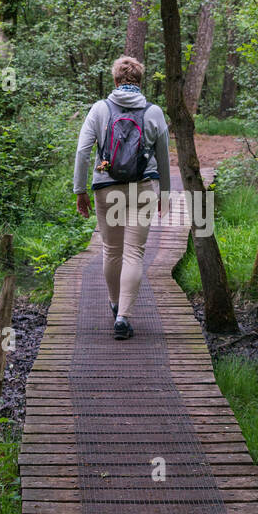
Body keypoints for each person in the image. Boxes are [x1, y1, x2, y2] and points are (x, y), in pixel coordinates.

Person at [73, 55, 171, 339]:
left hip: (107, 187)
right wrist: (165, 193)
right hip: (142, 188)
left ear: (115, 81)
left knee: (111, 250)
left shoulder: (99, 109)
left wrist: (80, 190)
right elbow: (164, 158)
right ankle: (124, 318)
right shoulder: (154, 112)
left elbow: (82, 152)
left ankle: (115, 305)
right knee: (134, 253)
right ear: (140, 82)